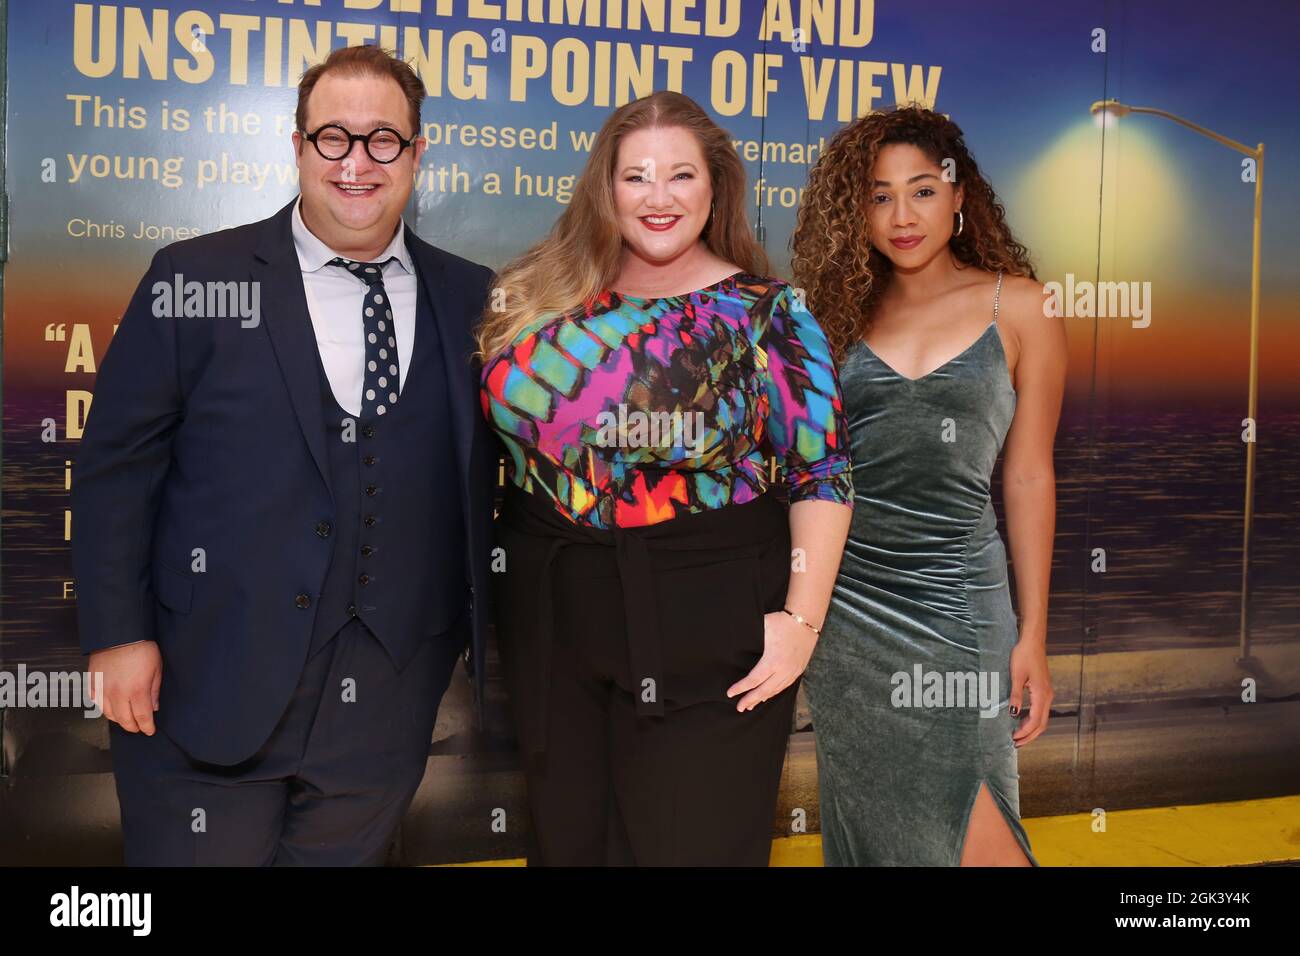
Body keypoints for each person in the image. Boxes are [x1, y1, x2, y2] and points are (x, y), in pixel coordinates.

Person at [71, 45, 496, 865]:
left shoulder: (474, 296)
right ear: (298, 146)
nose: (357, 163)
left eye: (384, 140)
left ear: (416, 153)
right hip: (204, 686)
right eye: (334, 137)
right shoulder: (195, 277)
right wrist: (117, 637)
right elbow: (117, 471)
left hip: (386, 702)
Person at [476, 90, 854, 865]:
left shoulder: (767, 315)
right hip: (550, 613)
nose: (658, 198)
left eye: (680, 176)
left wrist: (801, 625)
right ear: (604, 187)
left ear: (715, 188)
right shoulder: (537, 295)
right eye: (636, 176)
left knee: (689, 846)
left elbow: (823, 473)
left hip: (705, 614)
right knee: (569, 844)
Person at [791, 105, 1065, 866]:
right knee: (873, 830)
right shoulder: (832, 316)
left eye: (921, 190)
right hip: (846, 614)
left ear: (958, 197)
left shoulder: (1021, 306)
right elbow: (804, 470)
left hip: (960, 601)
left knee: (977, 822)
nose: (901, 215)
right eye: (879, 196)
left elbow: (1029, 472)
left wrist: (1033, 633)